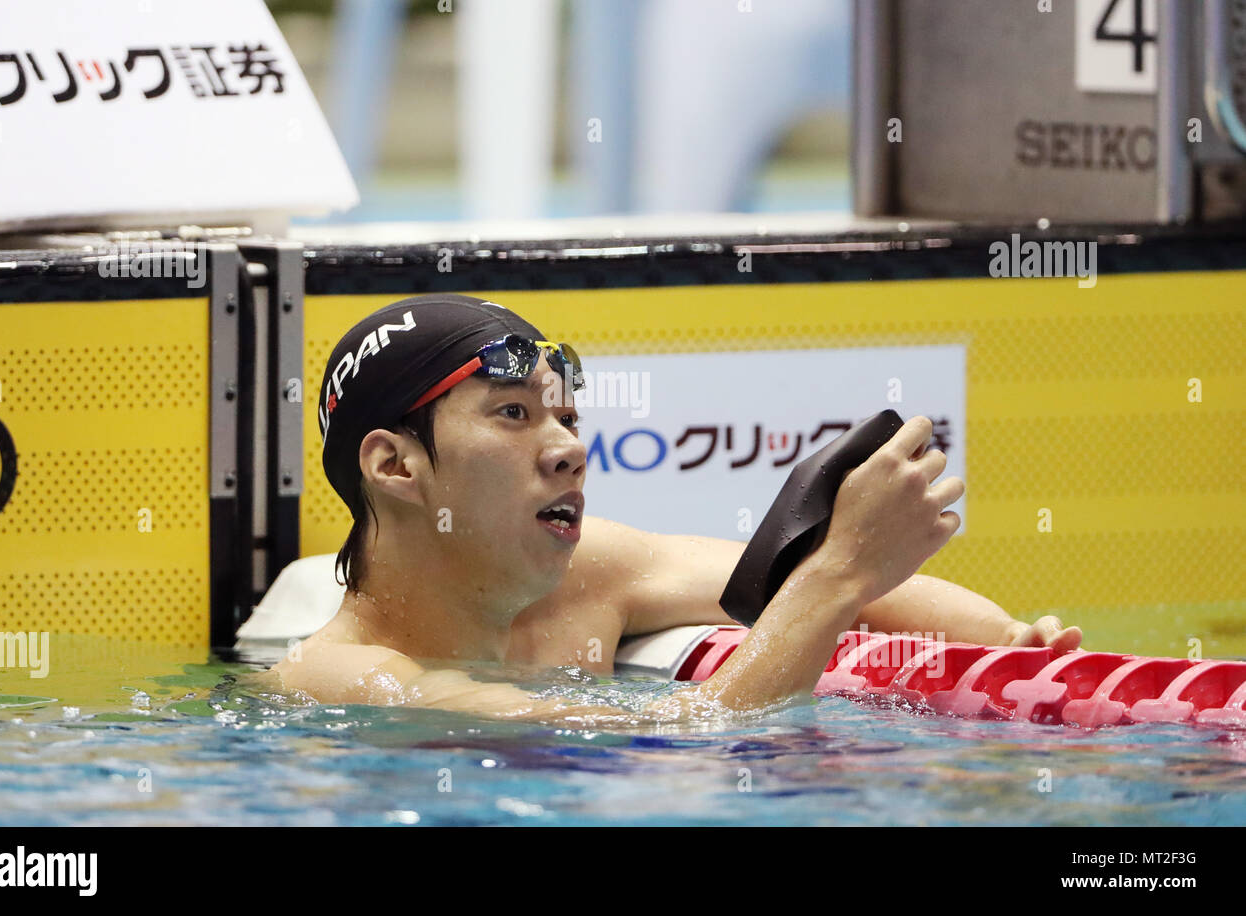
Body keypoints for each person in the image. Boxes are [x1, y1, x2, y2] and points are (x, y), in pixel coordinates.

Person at [269, 293, 1081, 724]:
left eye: (569, 418)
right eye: (513, 414)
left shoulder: (590, 577)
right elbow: (689, 739)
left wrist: (1013, 643)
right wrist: (839, 570)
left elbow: (788, 574)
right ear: (393, 464)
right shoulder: (347, 680)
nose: (568, 449)